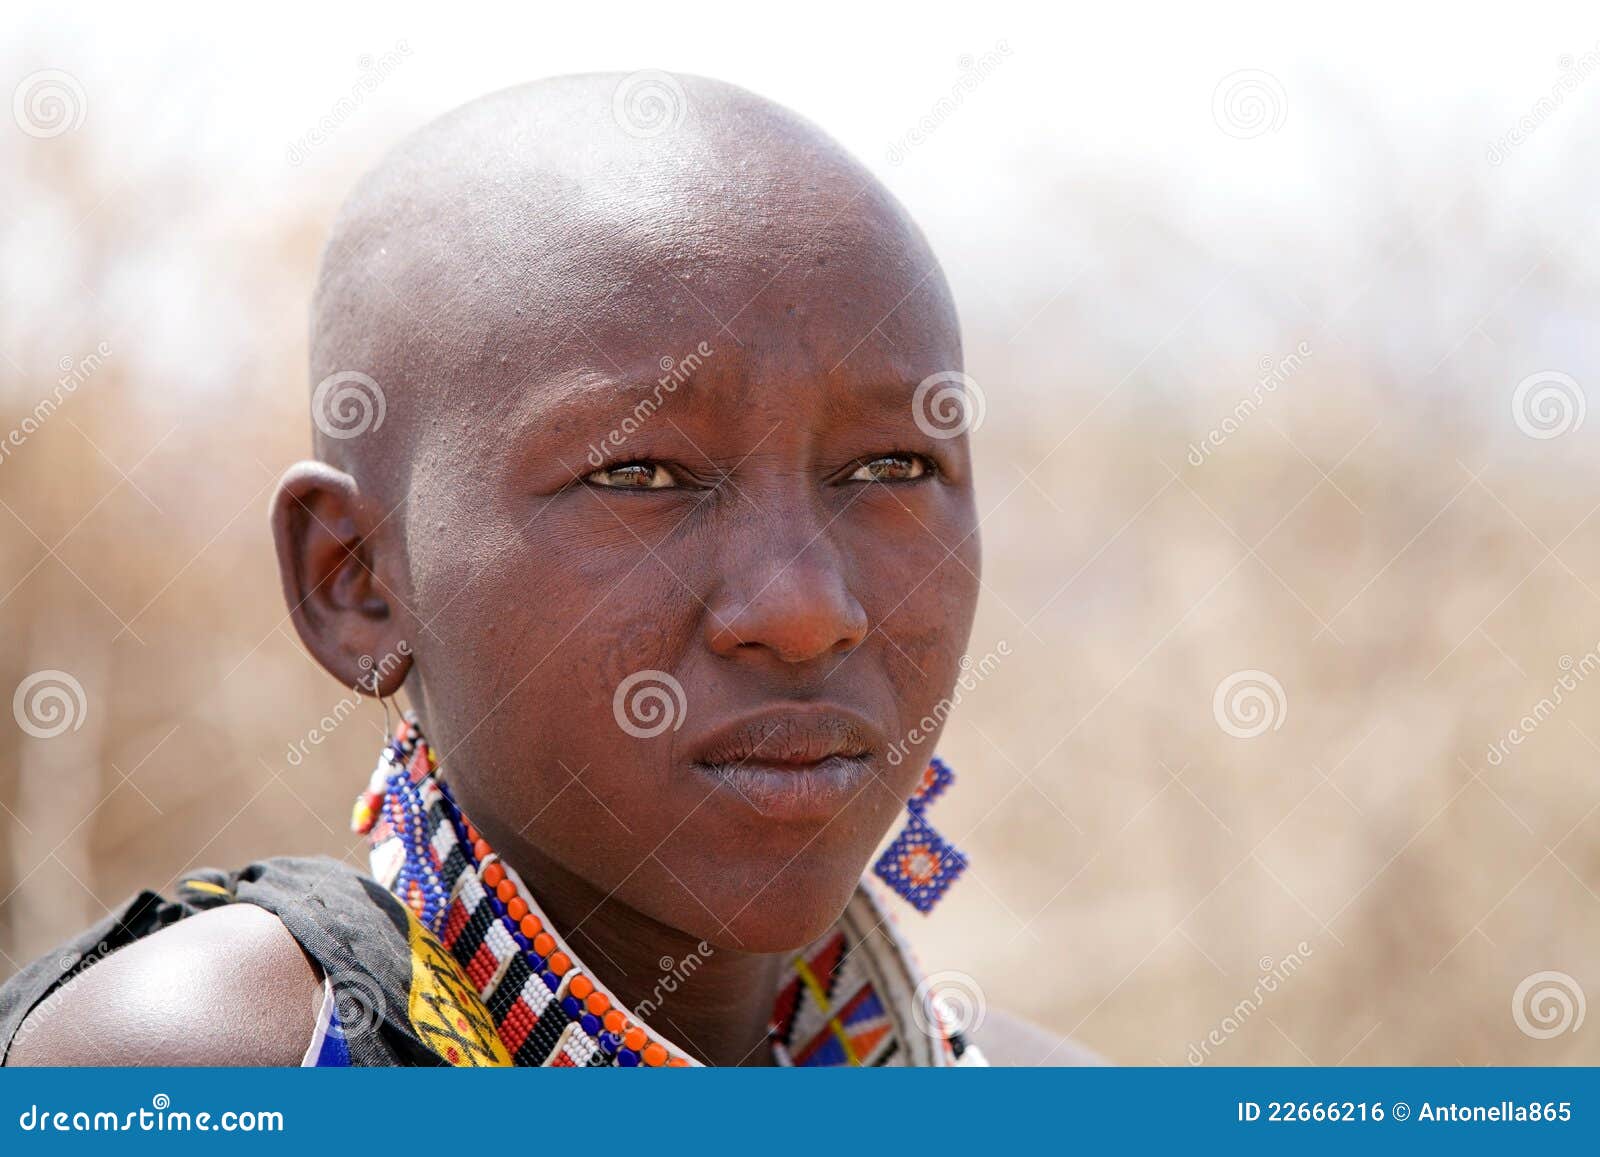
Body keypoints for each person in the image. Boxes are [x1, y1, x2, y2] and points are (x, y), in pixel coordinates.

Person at [1, 73, 1090, 1068]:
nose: (805, 610)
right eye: (643, 474)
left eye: (890, 465)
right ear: (357, 580)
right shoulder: (210, 1060)